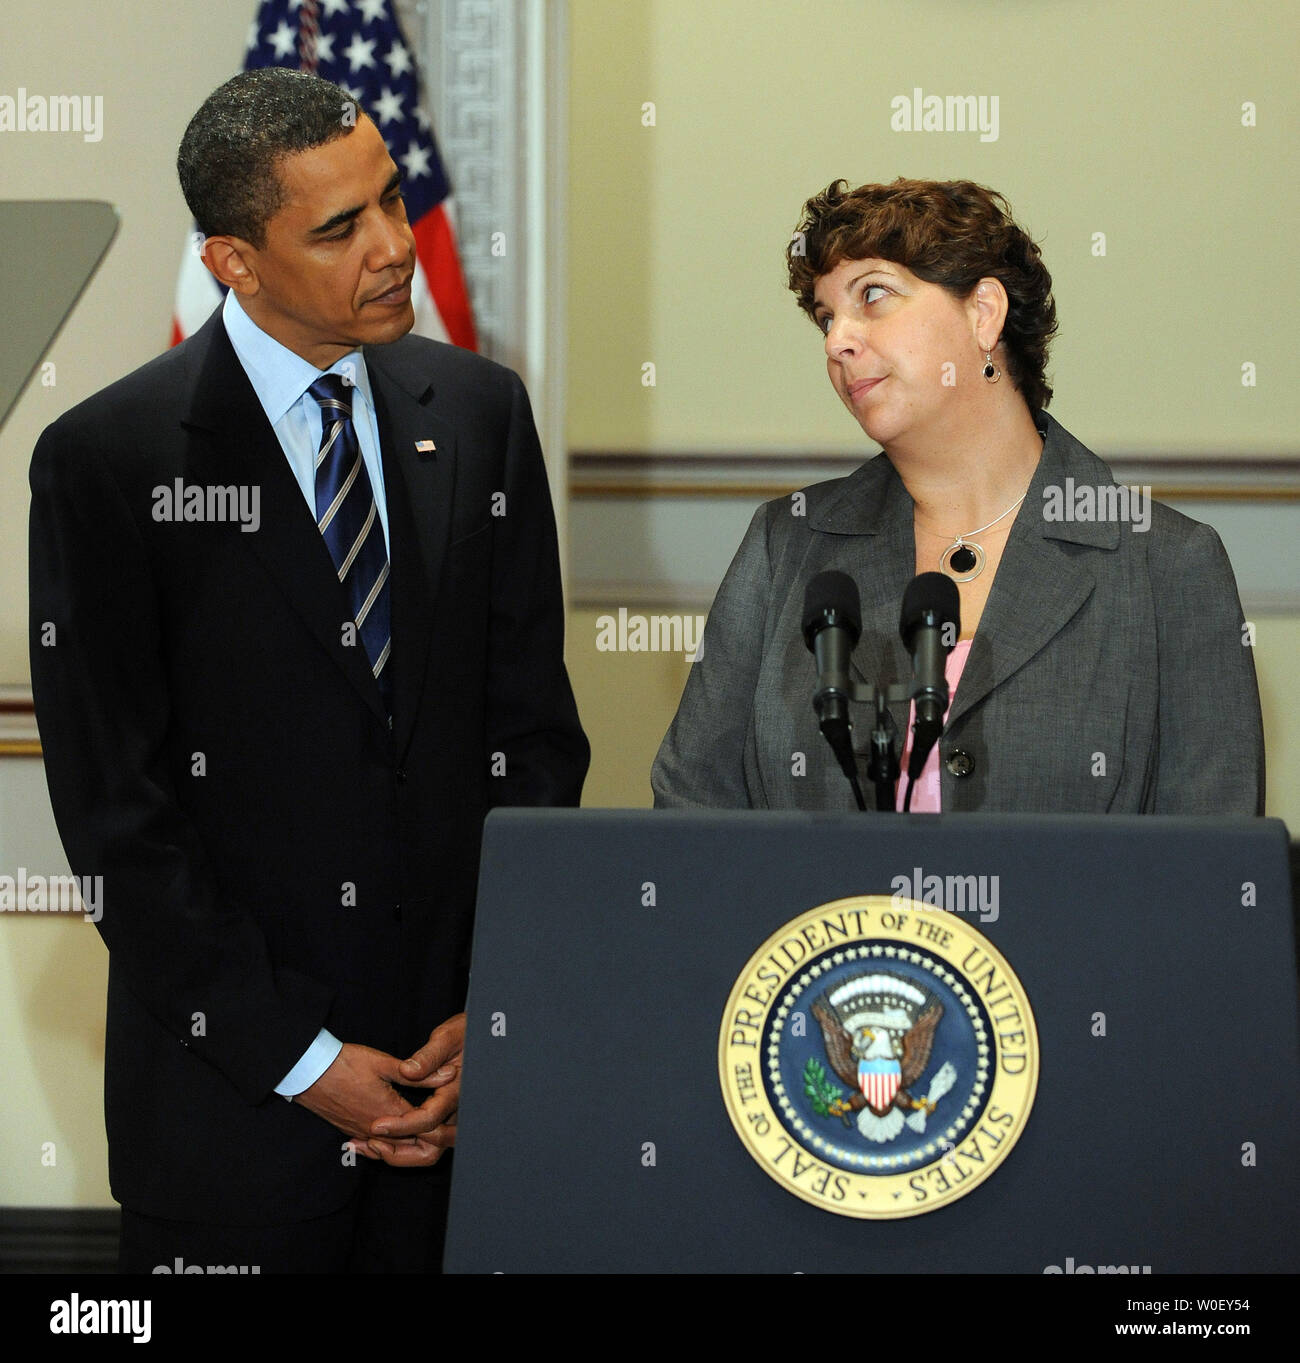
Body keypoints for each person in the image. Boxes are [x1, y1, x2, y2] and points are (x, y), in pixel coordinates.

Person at [28, 68, 589, 1272]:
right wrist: (305, 1061)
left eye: (392, 201)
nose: (393, 248)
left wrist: (491, 1000)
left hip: (465, 1104)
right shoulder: (111, 461)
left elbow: (534, 738)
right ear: (231, 261)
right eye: (340, 229)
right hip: (234, 1124)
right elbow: (122, 824)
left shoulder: (480, 413)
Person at [653, 178, 1263, 814]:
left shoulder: (1166, 564)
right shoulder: (787, 545)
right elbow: (690, 809)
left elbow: (1209, 874)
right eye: (826, 317)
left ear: (984, 314)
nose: (838, 342)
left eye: (874, 296)